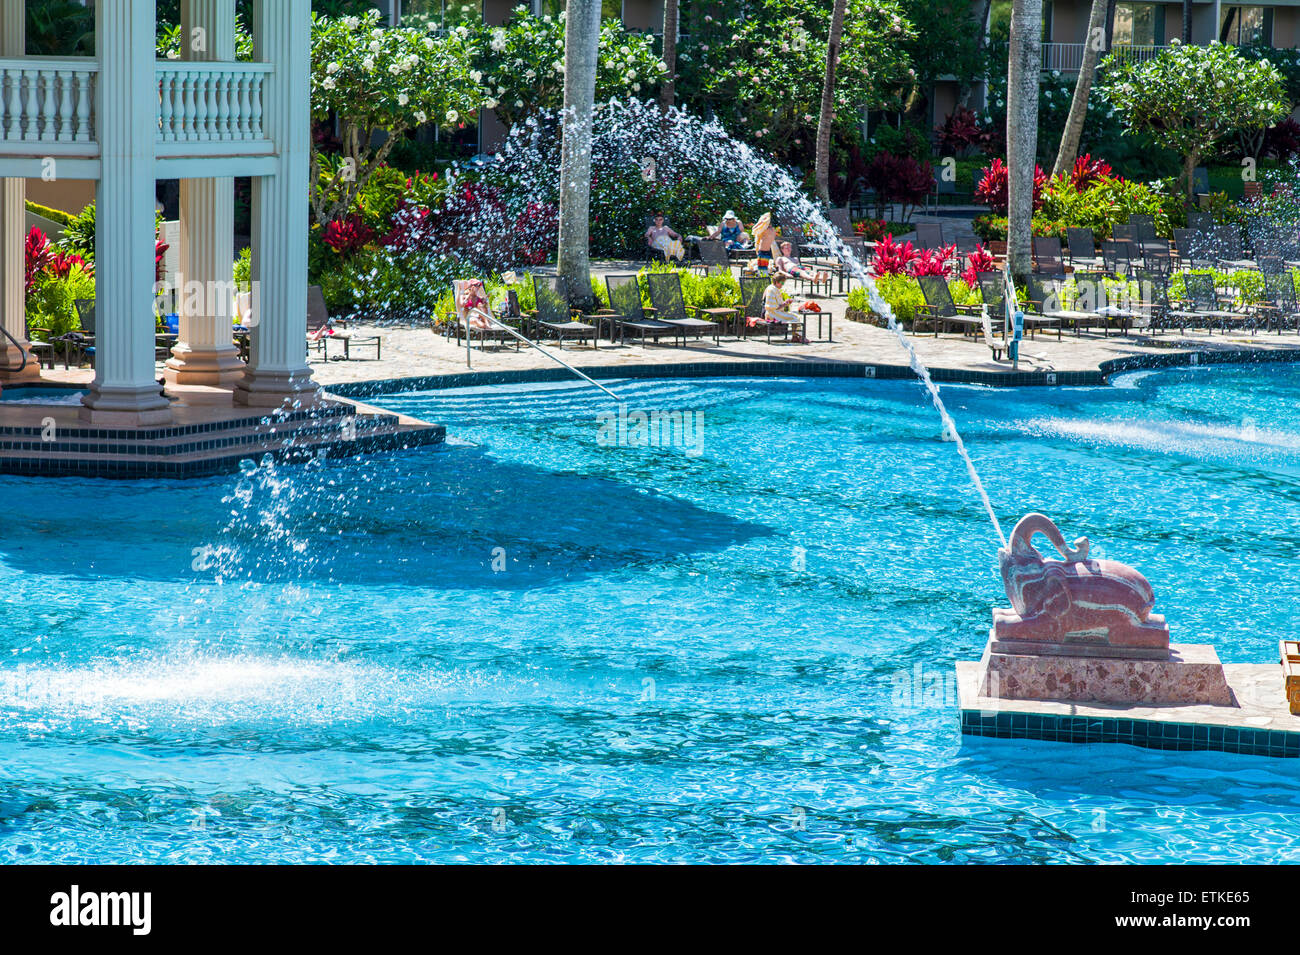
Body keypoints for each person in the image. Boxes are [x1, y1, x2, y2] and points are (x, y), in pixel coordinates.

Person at [761, 272, 810, 344]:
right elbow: (776, 307)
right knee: (795, 317)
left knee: (793, 316)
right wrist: (786, 303)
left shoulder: (771, 288)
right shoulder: (774, 290)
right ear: (777, 282)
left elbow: (776, 304)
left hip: (770, 313)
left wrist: (785, 303)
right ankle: (800, 337)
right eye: (782, 283)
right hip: (773, 314)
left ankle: (795, 337)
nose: (782, 285)